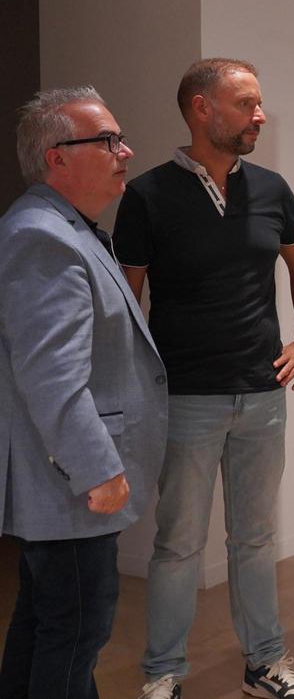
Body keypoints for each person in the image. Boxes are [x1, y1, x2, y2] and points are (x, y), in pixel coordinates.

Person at [113, 59, 294, 699]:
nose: (260, 115)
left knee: (255, 539)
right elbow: (128, 299)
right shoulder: (147, 196)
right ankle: (163, 674)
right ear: (202, 109)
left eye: (260, 105)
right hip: (187, 400)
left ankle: (265, 664)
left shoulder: (273, 189)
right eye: (247, 103)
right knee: (177, 546)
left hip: (262, 395)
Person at [0, 87, 168, 699]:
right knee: (75, 629)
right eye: (106, 140)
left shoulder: (67, 228)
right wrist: (99, 470)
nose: (125, 150)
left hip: (65, 481)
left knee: (47, 621)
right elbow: (52, 378)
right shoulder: (43, 237)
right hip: (71, 482)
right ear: (57, 158)